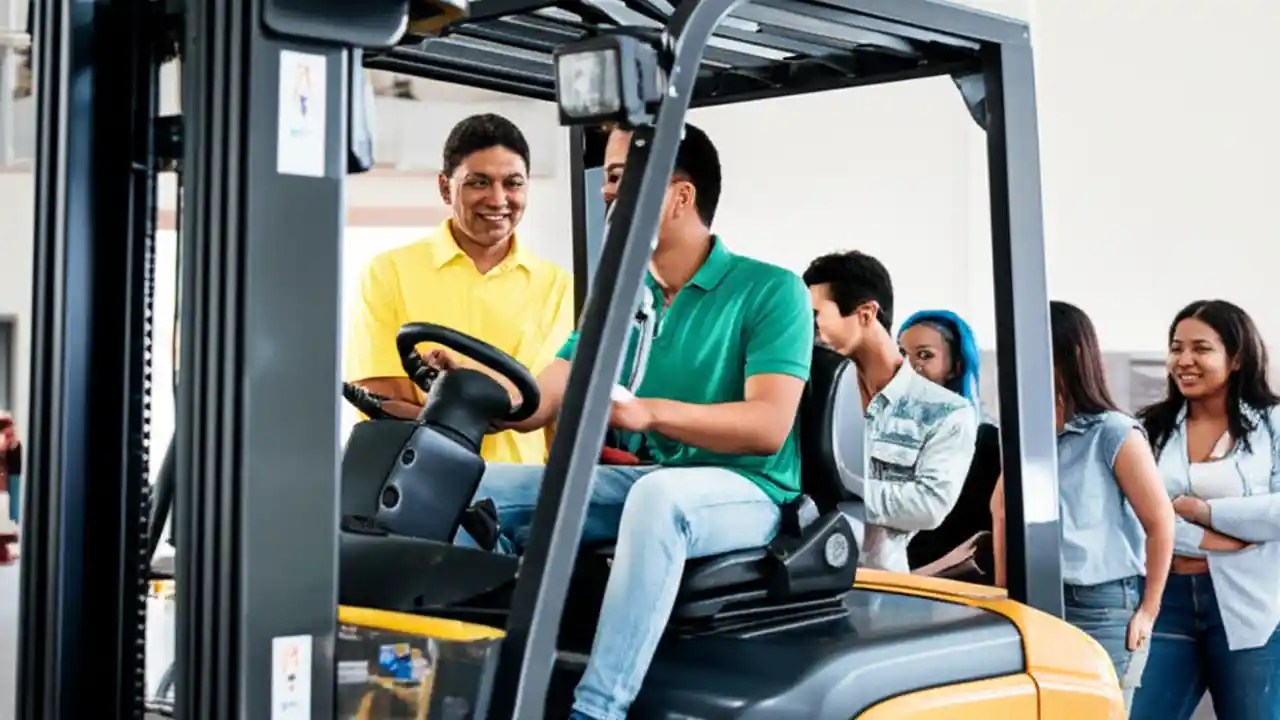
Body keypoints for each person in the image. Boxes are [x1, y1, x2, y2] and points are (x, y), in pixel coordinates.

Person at [455, 124, 813, 720]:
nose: (607, 193)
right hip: (653, 482)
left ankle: (597, 710)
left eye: (621, 177)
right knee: (468, 485)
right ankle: (479, 682)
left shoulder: (770, 291)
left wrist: (649, 414)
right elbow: (547, 392)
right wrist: (471, 390)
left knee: (658, 498)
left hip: (749, 490)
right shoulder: (625, 297)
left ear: (680, 196)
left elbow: (766, 426)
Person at [345, 113, 574, 464]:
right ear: (444, 187)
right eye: (478, 183)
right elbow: (378, 397)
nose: (498, 199)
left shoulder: (559, 287)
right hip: (415, 479)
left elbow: (538, 404)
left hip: (522, 493)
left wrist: (446, 386)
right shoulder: (388, 272)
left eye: (513, 183)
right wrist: (497, 399)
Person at [991, 301, 1174, 713]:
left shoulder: (1113, 432)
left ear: (1070, 355)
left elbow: (1161, 522)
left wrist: (1148, 611)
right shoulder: (1026, 433)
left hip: (1102, 606)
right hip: (1032, 599)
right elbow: (1001, 512)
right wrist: (1004, 593)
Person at [1130, 300, 1280, 720]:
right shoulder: (1149, 428)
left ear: (1236, 358)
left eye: (1201, 348)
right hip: (1165, 600)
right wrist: (1213, 537)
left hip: (1252, 604)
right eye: (1176, 348)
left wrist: (1201, 511)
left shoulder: (1272, 423)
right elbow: (1133, 517)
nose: (1184, 360)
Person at [803, 251, 977, 573]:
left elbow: (929, 506)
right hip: (796, 576)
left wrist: (841, 481)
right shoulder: (805, 389)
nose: (807, 328)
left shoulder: (945, 412)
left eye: (815, 315)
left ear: (866, 313)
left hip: (881, 589)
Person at [897, 310, 1002, 580]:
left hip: (957, 592)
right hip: (893, 586)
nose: (909, 367)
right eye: (902, 354)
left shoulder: (987, 444)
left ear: (955, 366)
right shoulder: (887, 436)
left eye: (924, 355)